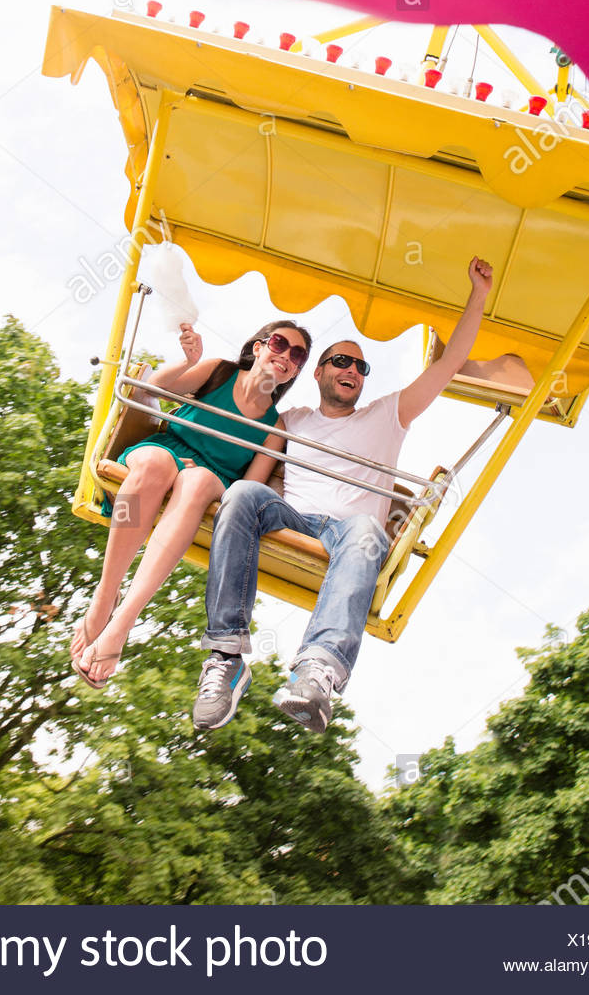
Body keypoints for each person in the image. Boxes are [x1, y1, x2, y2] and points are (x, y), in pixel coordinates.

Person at [193, 257, 494, 733]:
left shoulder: (388, 413)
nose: (352, 368)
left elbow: (451, 362)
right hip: (291, 516)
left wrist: (478, 293)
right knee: (245, 495)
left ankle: (318, 670)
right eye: (340, 360)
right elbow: (251, 478)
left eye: (361, 364)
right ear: (318, 373)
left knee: (365, 531)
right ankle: (226, 655)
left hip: (348, 531)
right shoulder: (293, 421)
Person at [71, 318, 311, 687]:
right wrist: (187, 361)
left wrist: (195, 471)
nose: (286, 356)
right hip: (166, 451)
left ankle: (122, 622)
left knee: (195, 481)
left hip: (212, 479)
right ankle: (106, 595)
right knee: (153, 464)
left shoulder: (274, 428)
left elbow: (245, 491)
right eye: (280, 343)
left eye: (297, 355)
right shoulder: (218, 372)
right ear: (259, 347)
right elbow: (154, 389)